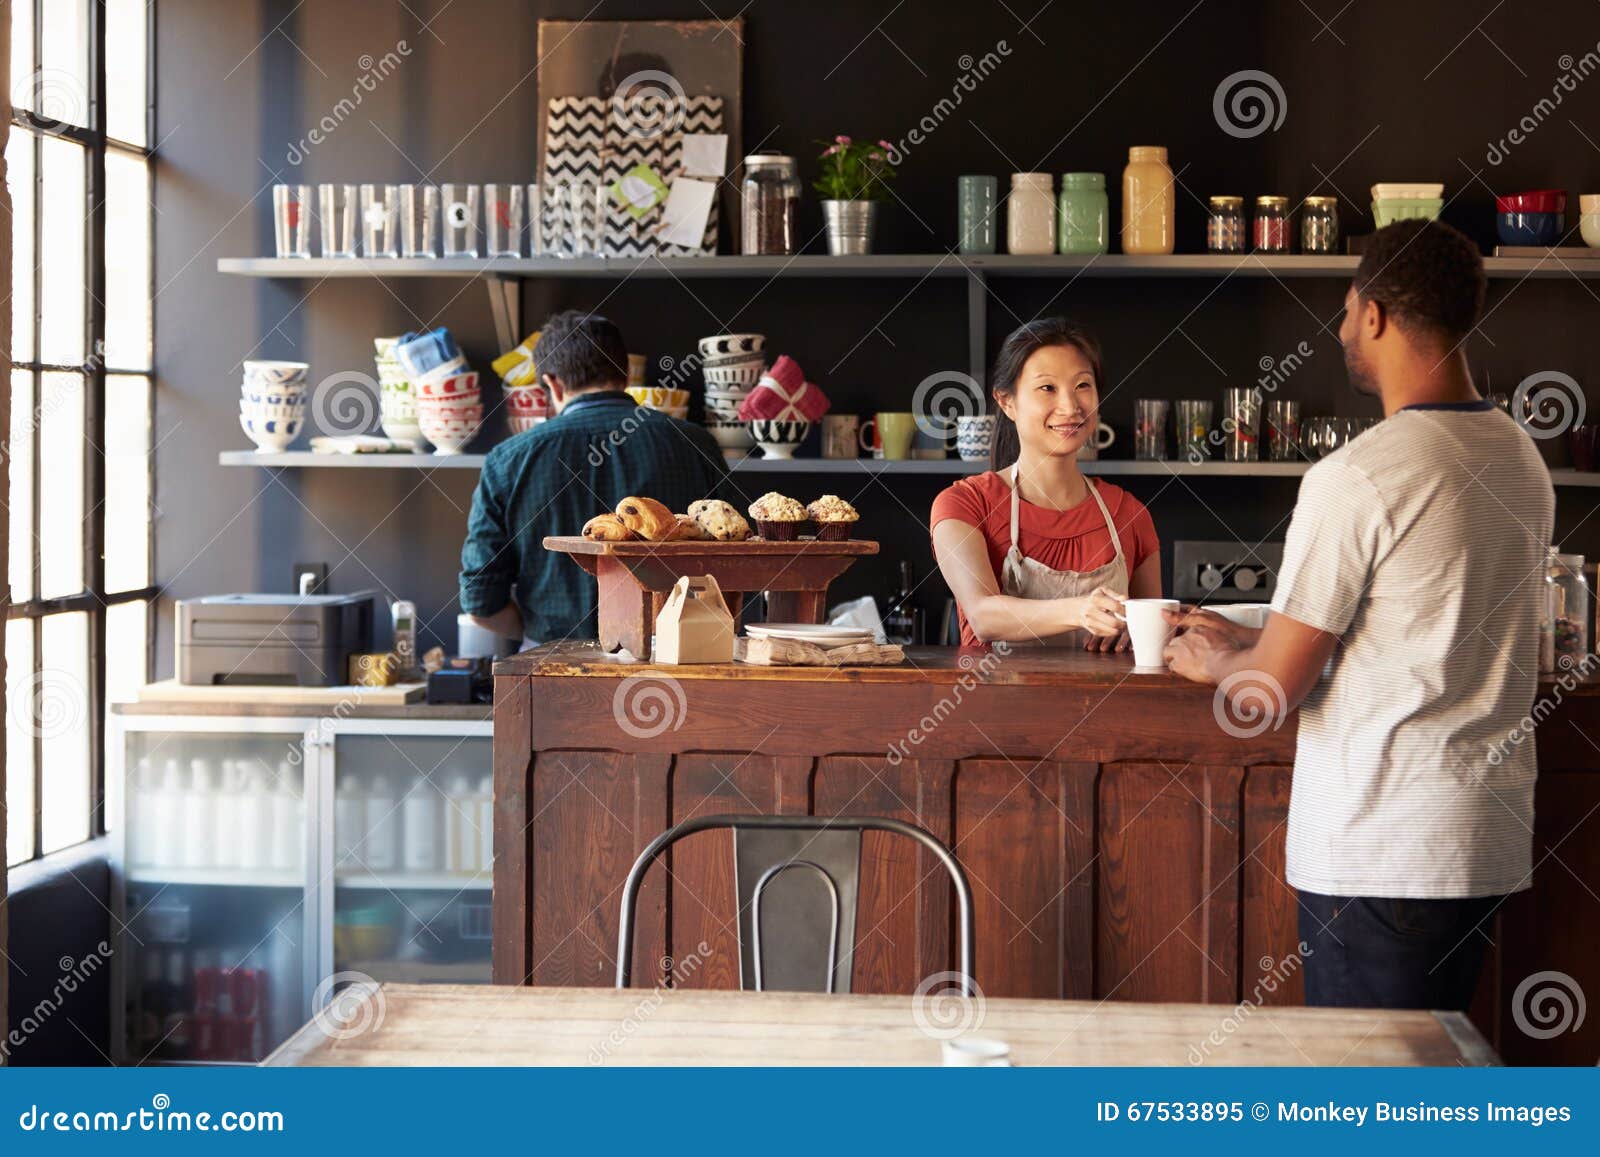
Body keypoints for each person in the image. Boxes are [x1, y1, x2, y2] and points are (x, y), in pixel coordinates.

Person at [1163, 219, 1554, 1010]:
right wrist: (1252, 634)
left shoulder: (1361, 474)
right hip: (1481, 838)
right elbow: (1415, 626)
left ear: (1373, 314)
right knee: (1431, 1090)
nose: (1342, 330)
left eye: (1345, 311)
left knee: (1365, 1107)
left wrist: (1215, 663)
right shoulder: (1521, 455)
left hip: (1384, 847)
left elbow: (1270, 692)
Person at [459, 310, 725, 649]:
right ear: (625, 372)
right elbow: (735, 566)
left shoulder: (507, 460)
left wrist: (542, 635)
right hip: (677, 661)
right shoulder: (696, 444)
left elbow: (479, 602)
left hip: (554, 671)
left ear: (552, 383)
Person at [930, 318, 1161, 649]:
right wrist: (1081, 610)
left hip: (1105, 701)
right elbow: (983, 616)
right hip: (995, 701)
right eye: (1047, 388)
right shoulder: (964, 505)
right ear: (1007, 402)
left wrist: (1138, 633)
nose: (1070, 407)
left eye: (1082, 385)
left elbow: (1154, 640)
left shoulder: (1130, 514)